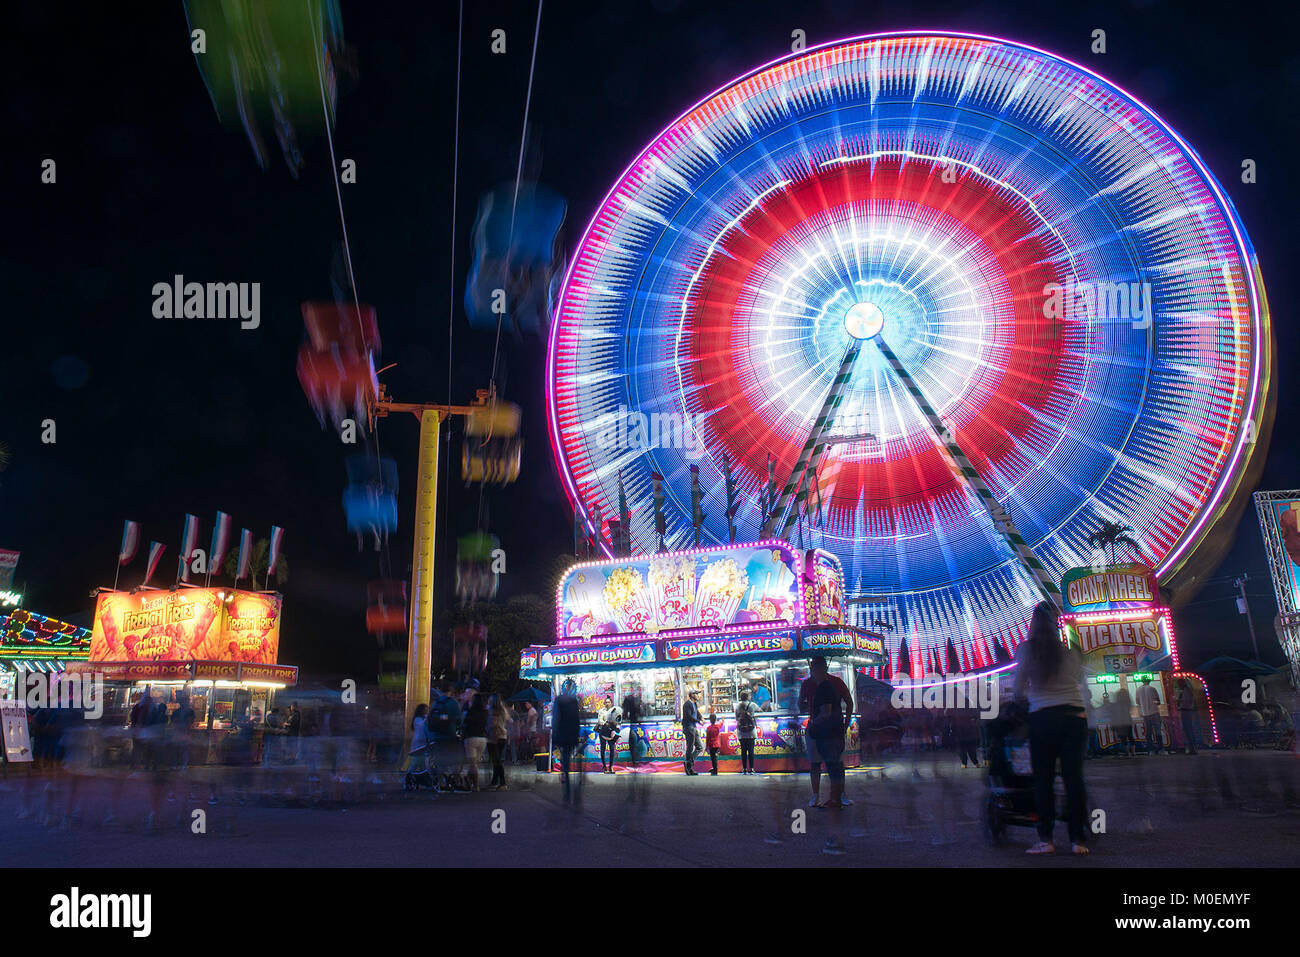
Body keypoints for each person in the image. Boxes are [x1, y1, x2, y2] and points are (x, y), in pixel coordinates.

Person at [1012, 601, 1089, 856]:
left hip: (1044, 717)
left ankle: (1046, 839)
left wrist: (1020, 701)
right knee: (1073, 779)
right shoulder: (1070, 652)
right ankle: (1078, 840)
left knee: (1043, 780)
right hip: (1074, 717)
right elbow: (1077, 679)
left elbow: (1018, 687)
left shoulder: (1027, 650)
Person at [801, 657, 854, 808]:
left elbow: (848, 703)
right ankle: (823, 795)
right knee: (822, 763)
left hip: (827, 730)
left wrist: (846, 723)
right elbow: (801, 703)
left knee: (832, 763)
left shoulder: (830, 684)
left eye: (814, 668)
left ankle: (836, 796)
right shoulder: (808, 684)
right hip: (823, 729)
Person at [553, 679, 582, 802]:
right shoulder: (573, 701)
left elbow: (556, 719)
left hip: (563, 734)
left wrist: (555, 734)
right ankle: (574, 790)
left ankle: (567, 790)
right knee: (572, 760)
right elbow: (577, 720)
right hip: (572, 735)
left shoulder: (559, 700)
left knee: (565, 761)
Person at [462, 693, 489, 791]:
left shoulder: (471, 712)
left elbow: (464, 724)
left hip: (471, 738)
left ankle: (476, 785)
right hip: (482, 739)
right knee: (474, 763)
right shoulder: (485, 712)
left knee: (473, 764)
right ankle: (469, 780)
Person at [487, 694, 511, 789]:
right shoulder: (503, 710)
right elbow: (510, 720)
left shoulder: (491, 711)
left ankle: (502, 782)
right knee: (497, 760)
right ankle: (494, 781)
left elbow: (492, 724)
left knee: (496, 761)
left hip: (493, 737)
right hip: (502, 736)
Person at [1136, 677, 1163, 755]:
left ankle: (1151, 750)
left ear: (1142, 681)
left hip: (1145, 714)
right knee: (1158, 731)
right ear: (1149, 681)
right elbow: (1158, 702)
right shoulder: (1152, 688)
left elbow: (1138, 702)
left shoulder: (1138, 690)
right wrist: (1153, 702)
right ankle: (1160, 749)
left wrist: (1144, 704)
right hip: (1154, 713)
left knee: (1148, 733)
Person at [1174, 679, 1200, 755]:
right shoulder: (1186, 690)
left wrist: (1178, 701)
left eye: (1179, 683)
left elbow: (1186, 701)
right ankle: (1192, 748)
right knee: (1188, 730)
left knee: (1188, 730)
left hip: (1186, 711)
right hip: (1186, 711)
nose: (1178, 685)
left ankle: (1192, 748)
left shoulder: (1186, 690)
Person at [735, 690, 758, 774]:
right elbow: (761, 711)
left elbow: (737, 718)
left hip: (741, 731)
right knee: (751, 750)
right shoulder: (752, 705)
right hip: (751, 731)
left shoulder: (737, 706)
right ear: (748, 697)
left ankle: (744, 768)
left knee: (743, 751)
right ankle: (751, 768)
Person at [681, 689, 704, 775]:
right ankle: (688, 766)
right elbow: (689, 716)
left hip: (693, 727)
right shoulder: (687, 704)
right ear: (692, 695)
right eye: (696, 694)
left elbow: (697, 713)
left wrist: (701, 718)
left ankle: (689, 763)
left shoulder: (694, 703)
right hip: (688, 727)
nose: (698, 696)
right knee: (690, 747)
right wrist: (698, 721)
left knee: (700, 747)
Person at [596, 695, 621, 774]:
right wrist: (607, 724)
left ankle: (610, 766)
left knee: (612, 749)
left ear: (611, 703)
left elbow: (618, 721)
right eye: (606, 702)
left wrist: (614, 726)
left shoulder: (615, 711)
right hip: (603, 732)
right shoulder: (601, 711)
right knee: (602, 749)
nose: (607, 703)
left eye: (608, 702)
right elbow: (600, 721)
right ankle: (604, 766)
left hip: (611, 733)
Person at [1111, 685, 1135, 756]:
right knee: (1131, 736)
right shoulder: (1128, 703)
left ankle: (1127, 753)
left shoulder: (1117, 704)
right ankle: (1133, 753)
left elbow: (1114, 714)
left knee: (1123, 738)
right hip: (1128, 720)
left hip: (1120, 722)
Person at [622, 687, 643, 766]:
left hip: (630, 726)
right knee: (635, 744)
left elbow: (624, 715)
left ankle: (634, 761)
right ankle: (635, 761)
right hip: (635, 725)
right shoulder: (636, 702)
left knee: (632, 744)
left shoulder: (628, 701)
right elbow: (641, 713)